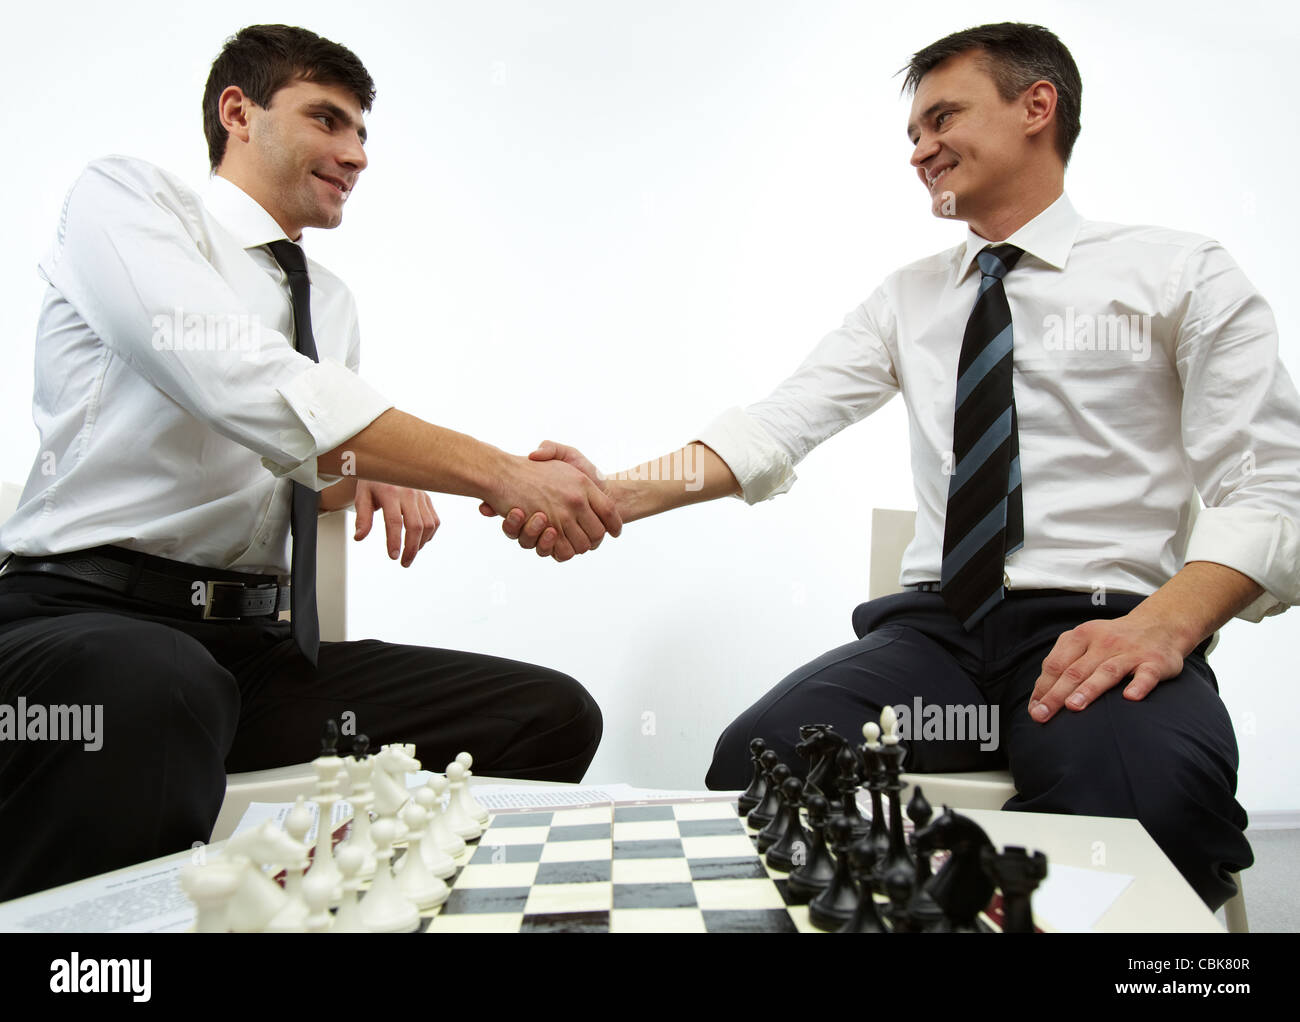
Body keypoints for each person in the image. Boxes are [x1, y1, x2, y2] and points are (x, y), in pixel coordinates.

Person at [486, 22, 1300, 912]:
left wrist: (1166, 625)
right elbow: (777, 425)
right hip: (937, 634)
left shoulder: (1179, 272)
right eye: (912, 133)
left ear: (1038, 106)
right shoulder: (907, 298)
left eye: (941, 118)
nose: (921, 150)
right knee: (760, 760)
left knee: (1146, 807)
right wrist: (613, 494)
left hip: (1099, 625)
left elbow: (1270, 482)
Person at [0, 24, 619, 902]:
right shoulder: (124, 201)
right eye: (329, 121)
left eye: (363, 134)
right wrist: (504, 475)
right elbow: (244, 382)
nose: (355, 154)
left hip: (249, 659)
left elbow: (301, 438)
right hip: (75, 622)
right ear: (237, 112)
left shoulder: (329, 301)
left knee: (549, 715)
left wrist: (362, 463)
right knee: (162, 690)